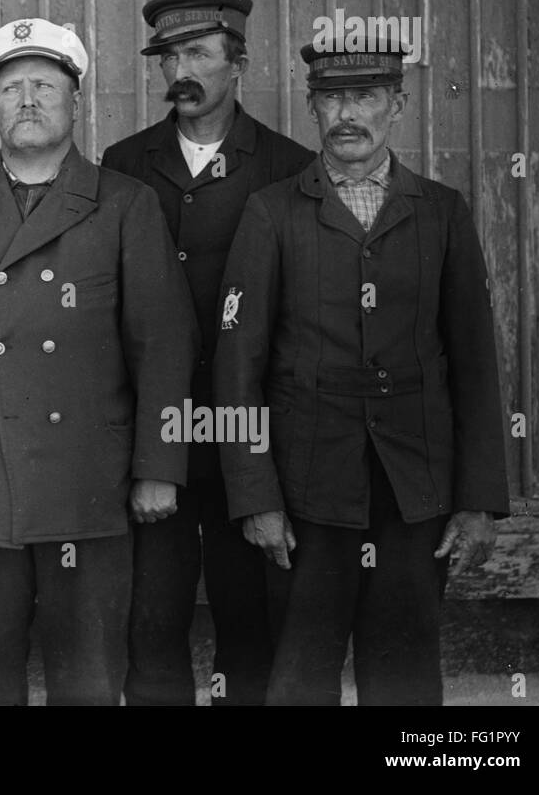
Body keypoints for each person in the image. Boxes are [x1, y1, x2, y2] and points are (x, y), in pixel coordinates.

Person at [0, 17, 198, 705]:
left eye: (44, 86)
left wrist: (158, 467)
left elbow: (164, 348)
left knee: (88, 684)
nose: (27, 99)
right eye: (11, 87)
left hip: (90, 488)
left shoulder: (125, 204)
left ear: (76, 102)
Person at [215, 41, 509, 705]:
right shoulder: (273, 213)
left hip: (414, 489)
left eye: (366, 97)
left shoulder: (441, 212)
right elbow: (238, 369)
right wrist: (256, 496)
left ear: (397, 106)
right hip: (307, 490)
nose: (348, 115)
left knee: (404, 675)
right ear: (312, 107)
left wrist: (477, 500)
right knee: (299, 672)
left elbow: (475, 364)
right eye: (332, 99)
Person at [101, 0, 313, 706]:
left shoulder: (289, 167)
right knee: (151, 623)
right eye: (168, 56)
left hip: (248, 437)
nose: (179, 70)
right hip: (152, 434)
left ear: (240, 64)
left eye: (197, 54)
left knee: (249, 618)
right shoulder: (124, 163)